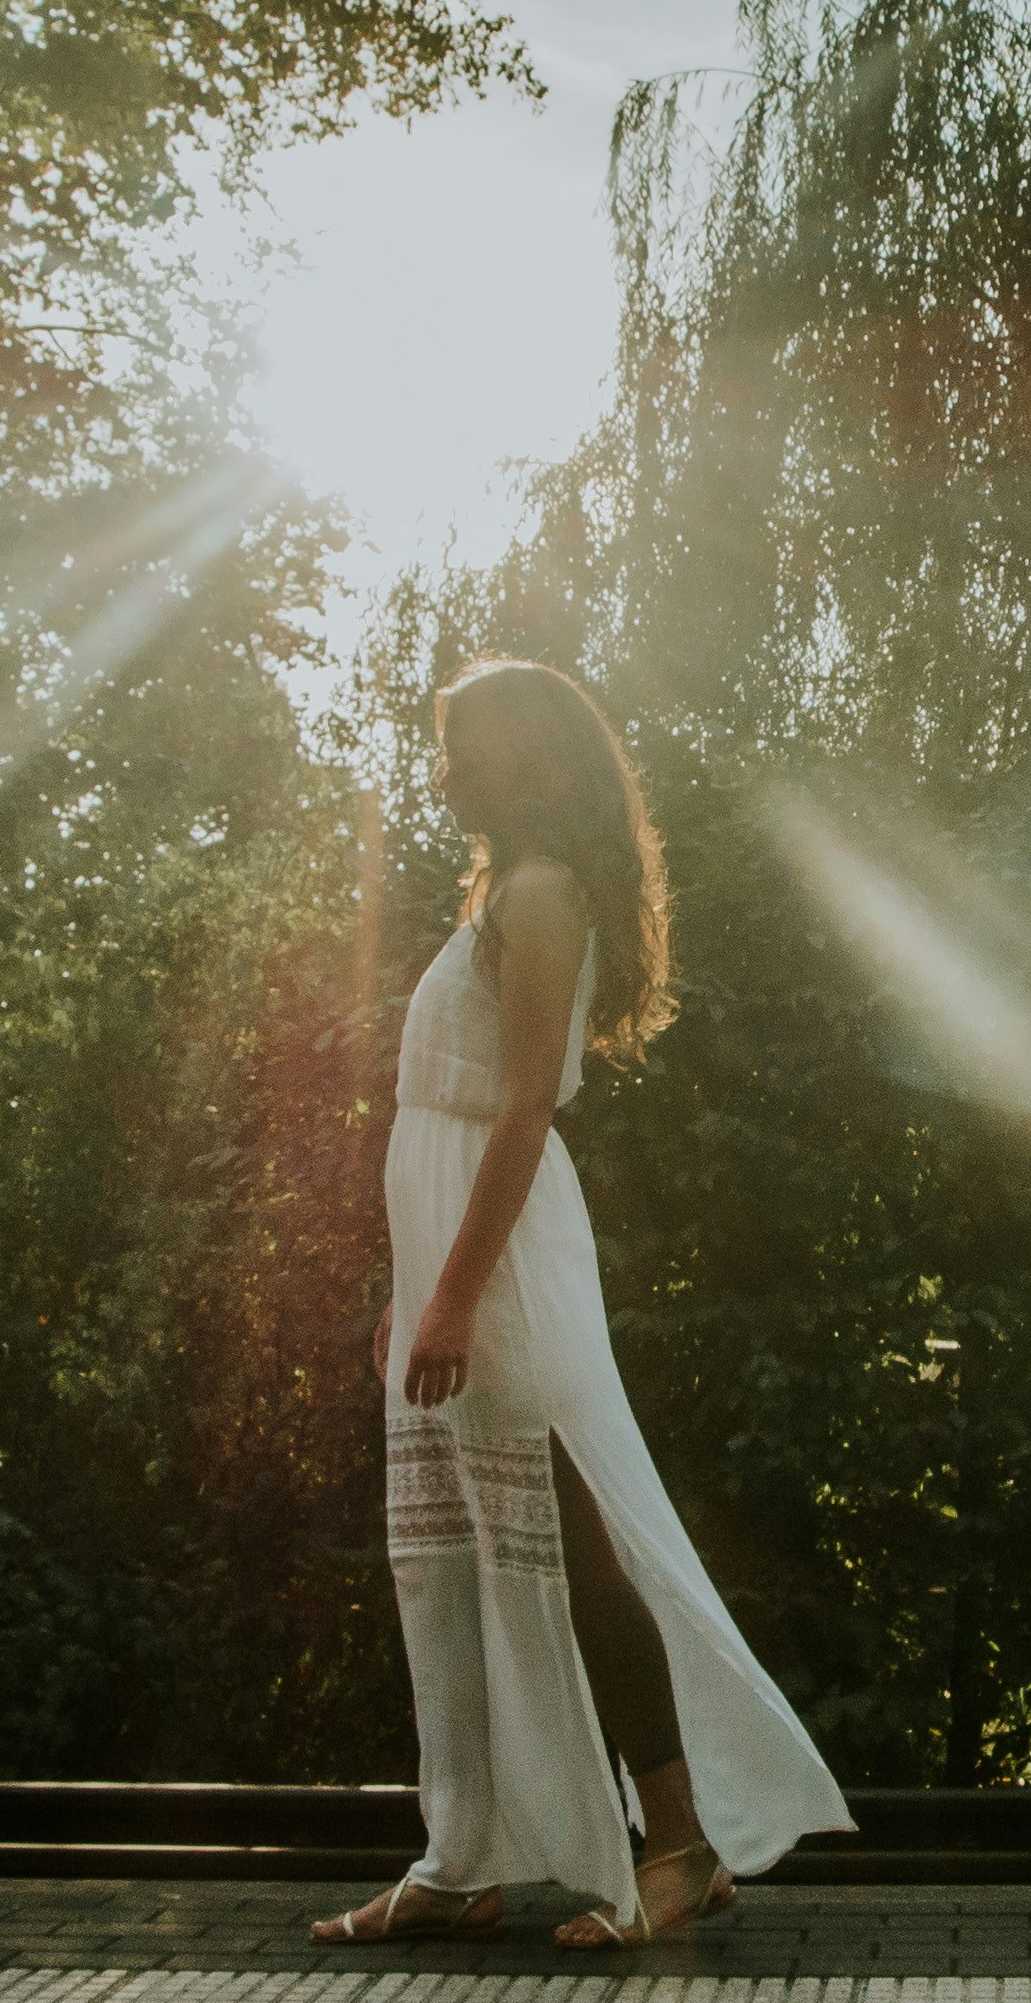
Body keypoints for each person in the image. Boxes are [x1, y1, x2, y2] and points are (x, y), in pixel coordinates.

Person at [311, 658, 852, 1951]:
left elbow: (519, 1108)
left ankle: (677, 1846)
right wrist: (412, 1293)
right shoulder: (504, 893)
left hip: (499, 1257)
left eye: (461, 749)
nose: (443, 773)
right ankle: (462, 1855)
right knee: (449, 1553)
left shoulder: (543, 896)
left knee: (566, 1525)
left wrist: (451, 1296)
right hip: (454, 1250)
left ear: (521, 759)